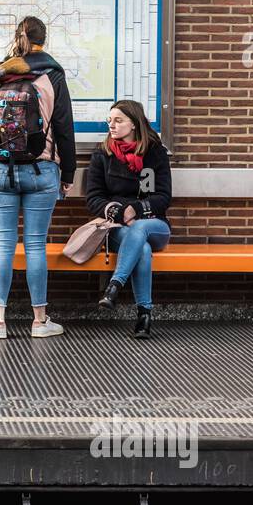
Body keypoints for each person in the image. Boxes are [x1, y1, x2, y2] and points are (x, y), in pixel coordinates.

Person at [0, 16, 76, 339]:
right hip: (41, 170)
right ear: (45, 39)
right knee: (35, 245)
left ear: (16, 38)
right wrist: (67, 173)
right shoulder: (52, 75)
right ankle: (40, 321)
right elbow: (64, 128)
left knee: (3, 242)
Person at [84, 100, 173, 339]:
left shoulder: (154, 152)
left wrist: (136, 209)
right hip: (118, 227)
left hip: (154, 223)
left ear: (133, 124)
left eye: (118, 120)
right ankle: (144, 315)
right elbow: (93, 198)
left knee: (142, 230)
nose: (111, 125)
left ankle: (115, 285)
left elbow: (163, 197)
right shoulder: (103, 153)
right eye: (109, 120)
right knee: (141, 249)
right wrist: (118, 212)